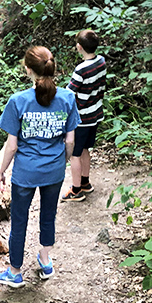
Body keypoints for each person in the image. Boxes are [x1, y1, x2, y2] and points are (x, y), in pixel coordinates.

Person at [0, 46, 79, 287]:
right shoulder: (67, 98)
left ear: (28, 69)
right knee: (48, 215)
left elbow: (11, 146)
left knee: (19, 221)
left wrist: (1, 172)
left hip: (25, 172)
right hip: (53, 170)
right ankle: (45, 259)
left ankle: (15, 272)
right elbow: (70, 140)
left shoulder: (18, 101)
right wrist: (62, 161)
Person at [61, 29, 107, 202]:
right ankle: (85, 182)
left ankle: (76, 190)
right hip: (95, 114)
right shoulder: (101, 62)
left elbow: (69, 93)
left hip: (81, 118)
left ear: (79, 47)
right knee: (86, 149)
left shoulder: (81, 69)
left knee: (74, 154)